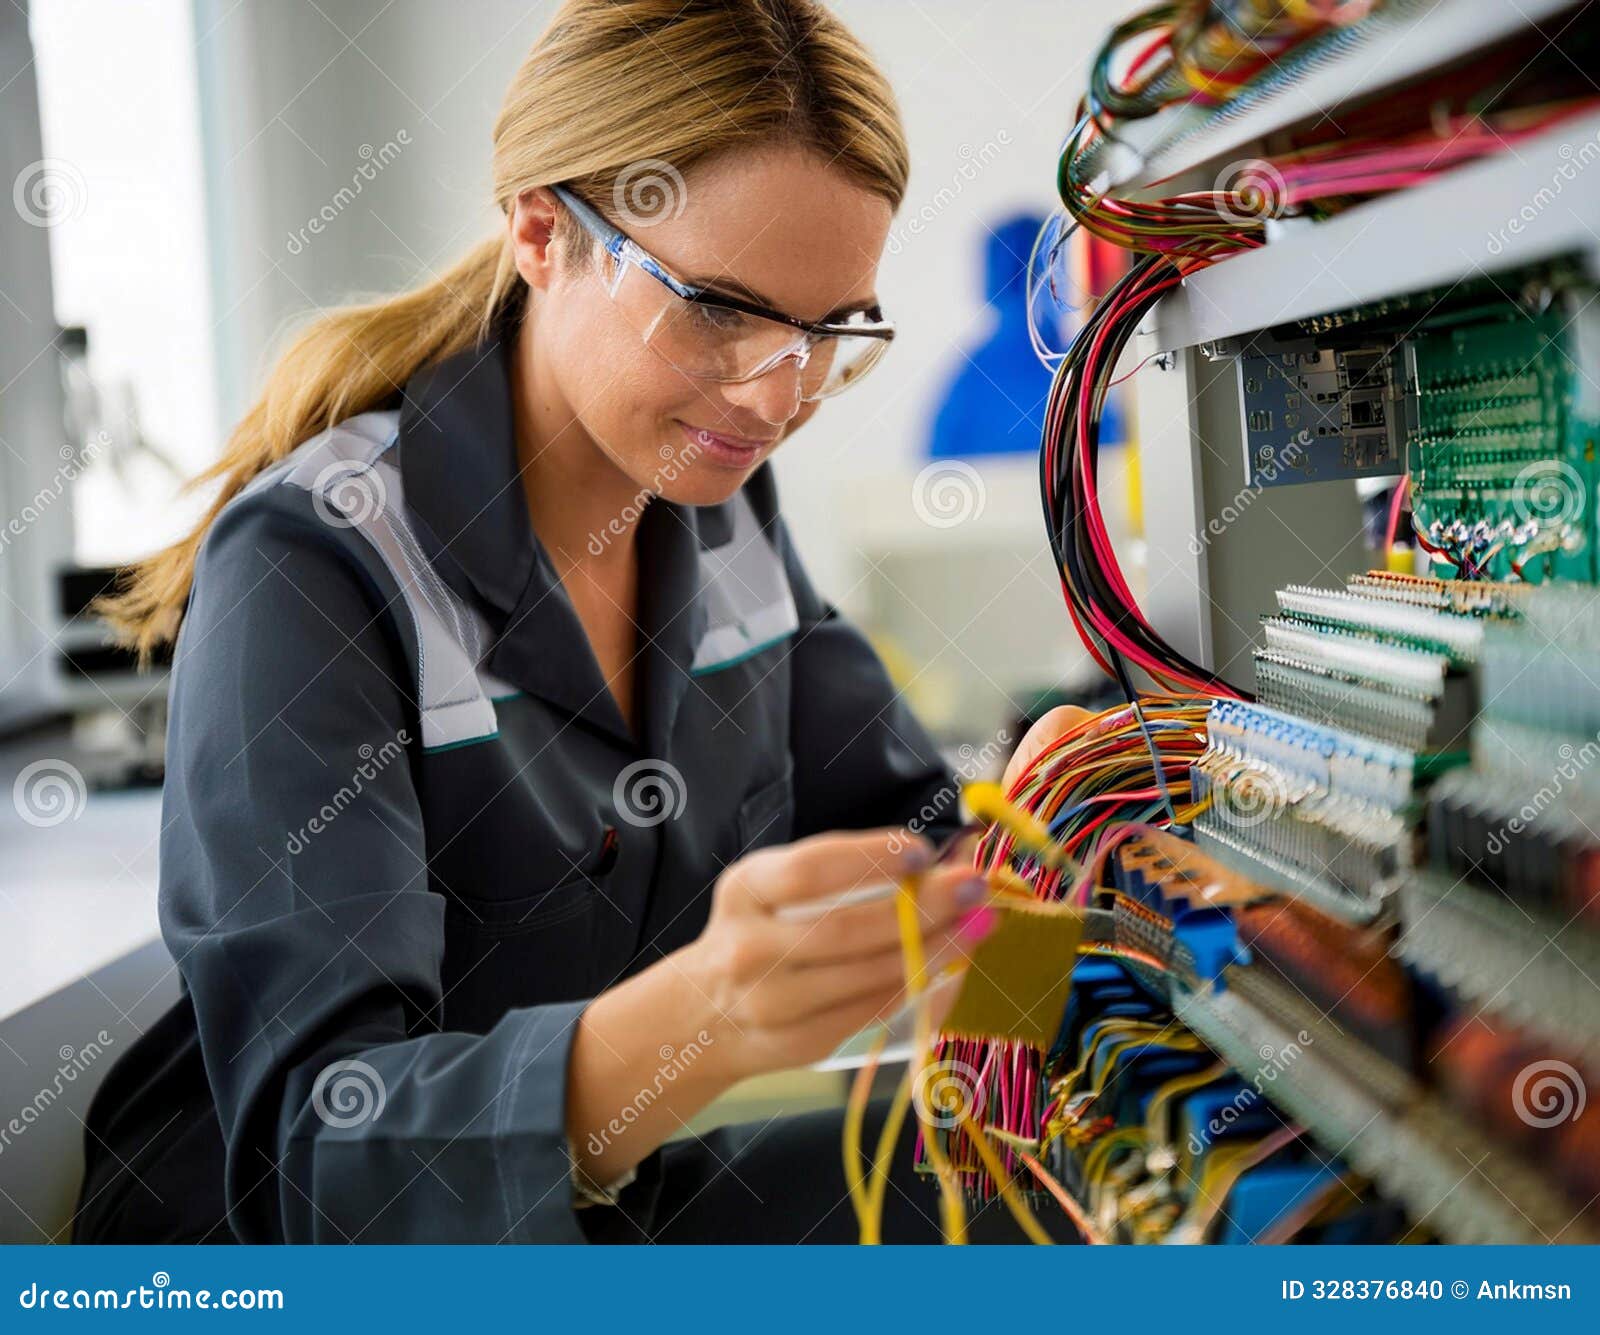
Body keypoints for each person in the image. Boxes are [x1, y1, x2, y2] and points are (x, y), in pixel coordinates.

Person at [74, 0, 1077, 1244]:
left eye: (829, 332)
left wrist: (1084, 873)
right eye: (718, 308)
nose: (778, 396)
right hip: (310, 1257)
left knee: (1037, 1182)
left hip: (604, 1205)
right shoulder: (314, 561)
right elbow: (319, 1159)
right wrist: (701, 1019)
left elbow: (906, 825)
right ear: (543, 233)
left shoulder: (719, 508)